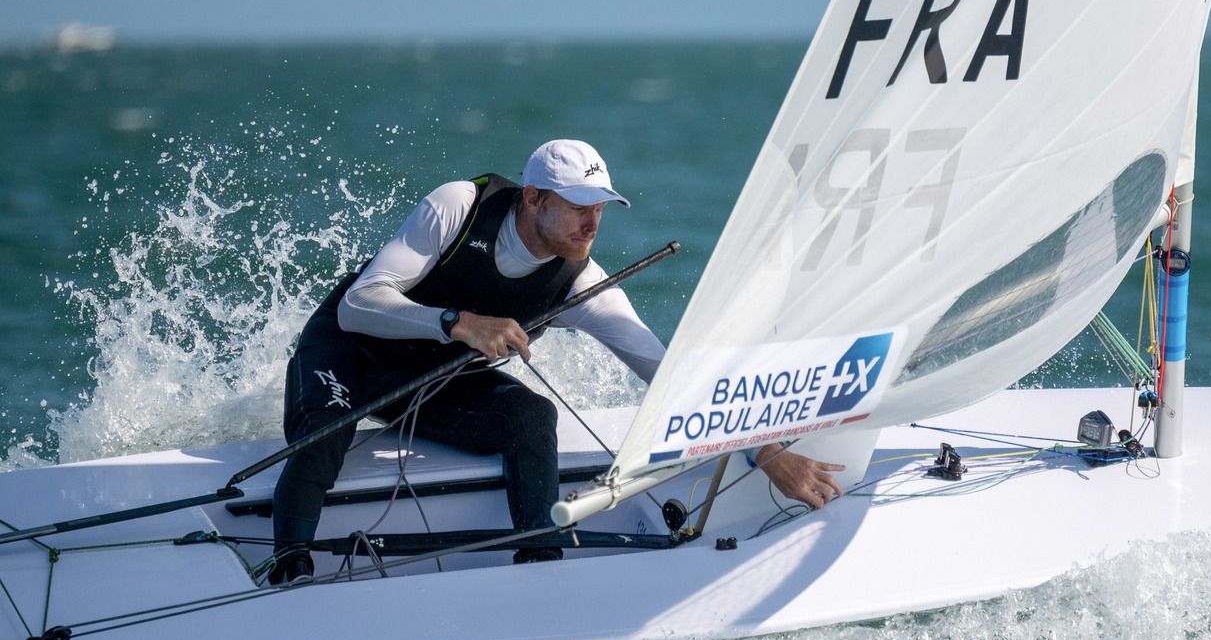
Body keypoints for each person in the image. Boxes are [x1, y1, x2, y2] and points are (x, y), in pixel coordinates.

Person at [267, 139, 844, 584]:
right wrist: (458, 323)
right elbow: (359, 305)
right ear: (533, 199)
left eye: (602, 208)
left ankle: (538, 565)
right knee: (326, 432)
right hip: (348, 353)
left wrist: (767, 453)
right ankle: (287, 568)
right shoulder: (459, 207)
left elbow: (665, 372)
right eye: (578, 208)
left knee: (531, 416)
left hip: (428, 383)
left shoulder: (581, 284)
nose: (593, 224)